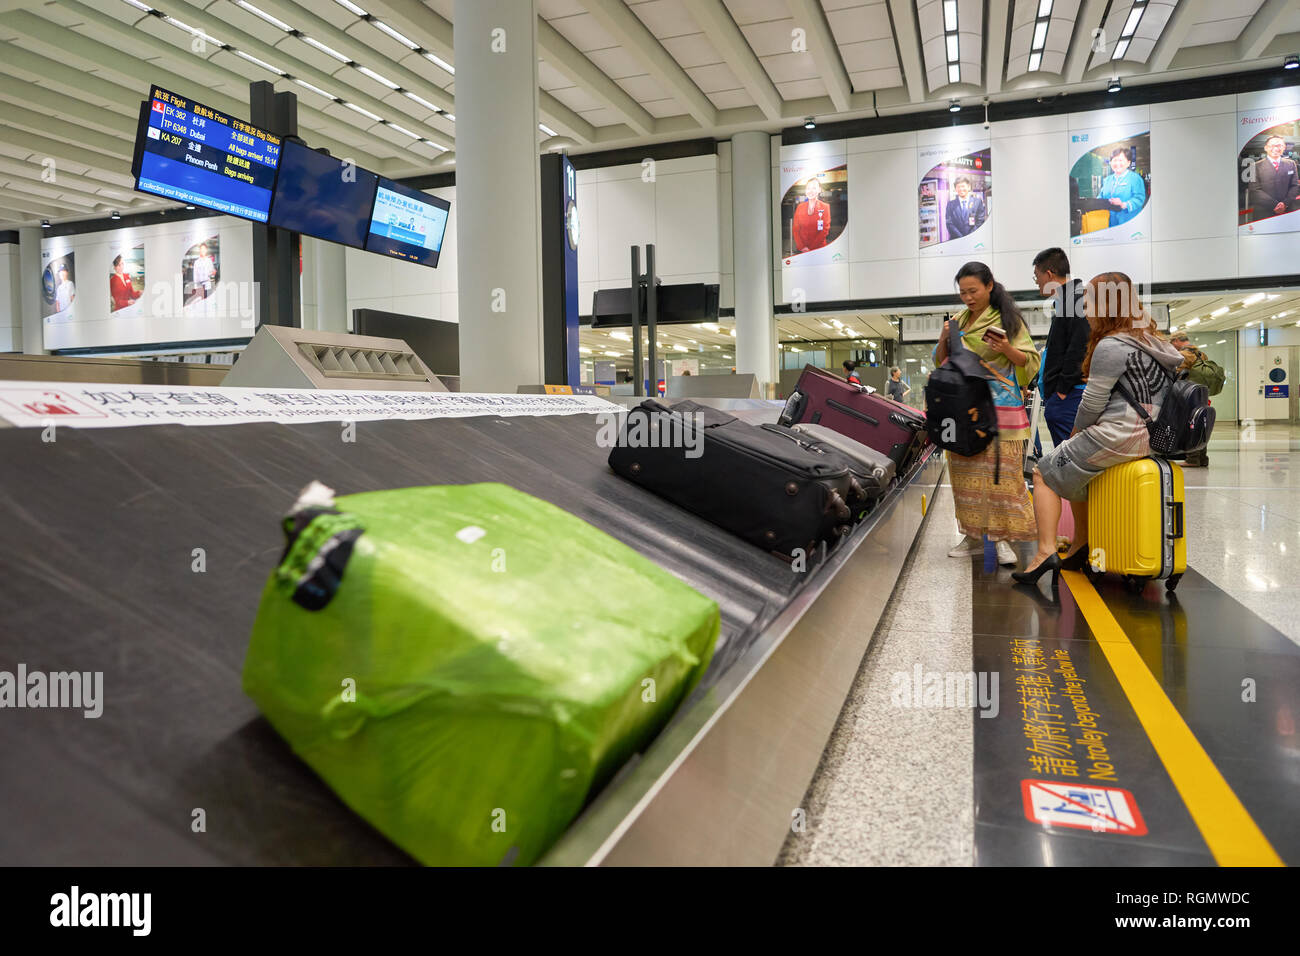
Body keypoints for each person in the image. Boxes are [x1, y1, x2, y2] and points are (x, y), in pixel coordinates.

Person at [1013, 272, 1186, 584]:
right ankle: (1081, 544)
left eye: (1089, 302)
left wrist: (1075, 436)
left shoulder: (1111, 346)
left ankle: (1045, 553)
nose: (1085, 309)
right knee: (1077, 472)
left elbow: (1091, 404)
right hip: (1153, 437)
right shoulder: (1153, 341)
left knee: (1043, 472)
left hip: (1118, 436)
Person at [934, 262, 1040, 567]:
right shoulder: (958, 321)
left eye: (973, 291)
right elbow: (942, 362)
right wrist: (943, 338)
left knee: (1002, 478)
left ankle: (1002, 538)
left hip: (1002, 412)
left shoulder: (1008, 320)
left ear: (989, 286)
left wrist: (1006, 347)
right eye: (963, 292)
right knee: (966, 479)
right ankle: (972, 537)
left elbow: (1029, 363)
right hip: (964, 411)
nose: (967, 297)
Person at [1032, 248, 1090, 449]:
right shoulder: (1066, 301)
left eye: (1037, 277)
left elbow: (1080, 347)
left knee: (1071, 460)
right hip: (1064, 398)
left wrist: (1062, 391)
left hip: (1068, 398)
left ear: (1049, 274)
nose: (1037, 282)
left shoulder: (1074, 301)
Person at [1169, 332, 1212, 467]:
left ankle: (1192, 459)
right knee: (1201, 425)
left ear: (1176, 341)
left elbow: (1175, 374)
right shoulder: (1200, 353)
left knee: (1189, 425)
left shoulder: (1183, 355)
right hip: (1202, 393)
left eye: (1171, 343)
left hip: (1189, 395)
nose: (1172, 346)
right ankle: (1202, 458)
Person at [1246, 134, 1299, 222]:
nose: (1276, 148)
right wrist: (1275, 205)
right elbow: (1254, 190)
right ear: (1266, 148)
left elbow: (1295, 186)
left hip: (1288, 210)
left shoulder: (1291, 164)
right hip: (1264, 212)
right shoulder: (1254, 166)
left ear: (1284, 147)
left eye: (1279, 145)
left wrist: (1285, 204)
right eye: (1272, 145)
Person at [1097, 147, 1145, 228]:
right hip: (1110, 222)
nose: (1117, 163)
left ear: (1128, 163)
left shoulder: (1135, 178)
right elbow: (1101, 196)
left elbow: (1139, 198)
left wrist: (1123, 204)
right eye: (1114, 160)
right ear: (1111, 163)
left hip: (1128, 221)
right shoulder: (1108, 180)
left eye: (1121, 160)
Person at [791, 177, 831, 253]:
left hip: (819, 249)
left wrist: (810, 249)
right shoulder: (800, 207)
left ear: (819, 190)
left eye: (814, 188)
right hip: (802, 249)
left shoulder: (825, 207)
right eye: (808, 188)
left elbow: (824, 231)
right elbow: (796, 229)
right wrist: (802, 247)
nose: (810, 191)